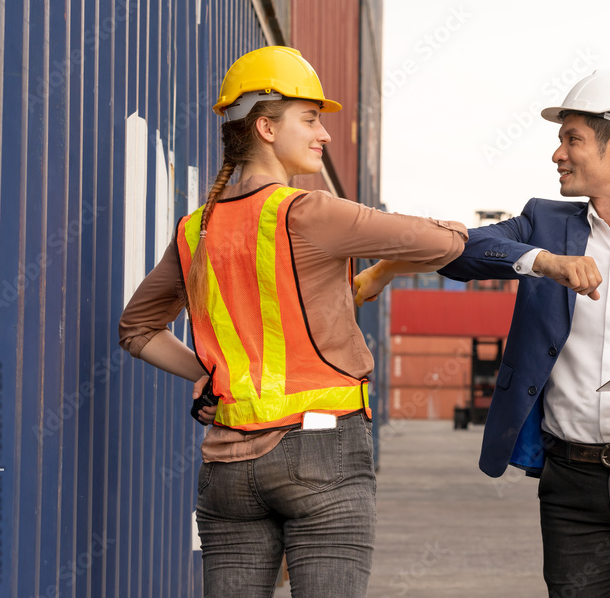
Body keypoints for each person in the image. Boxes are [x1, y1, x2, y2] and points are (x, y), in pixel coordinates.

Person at [355, 69, 610, 597]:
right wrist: (543, 262)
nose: (557, 154)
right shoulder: (543, 223)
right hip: (572, 482)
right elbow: (461, 252)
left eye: (572, 139)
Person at [118, 46, 467, 597]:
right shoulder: (306, 210)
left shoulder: (195, 231)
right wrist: (395, 265)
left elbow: (136, 330)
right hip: (322, 455)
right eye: (310, 119)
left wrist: (207, 376)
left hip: (228, 464)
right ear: (265, 127)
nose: (324, 135)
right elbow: (444, 242)